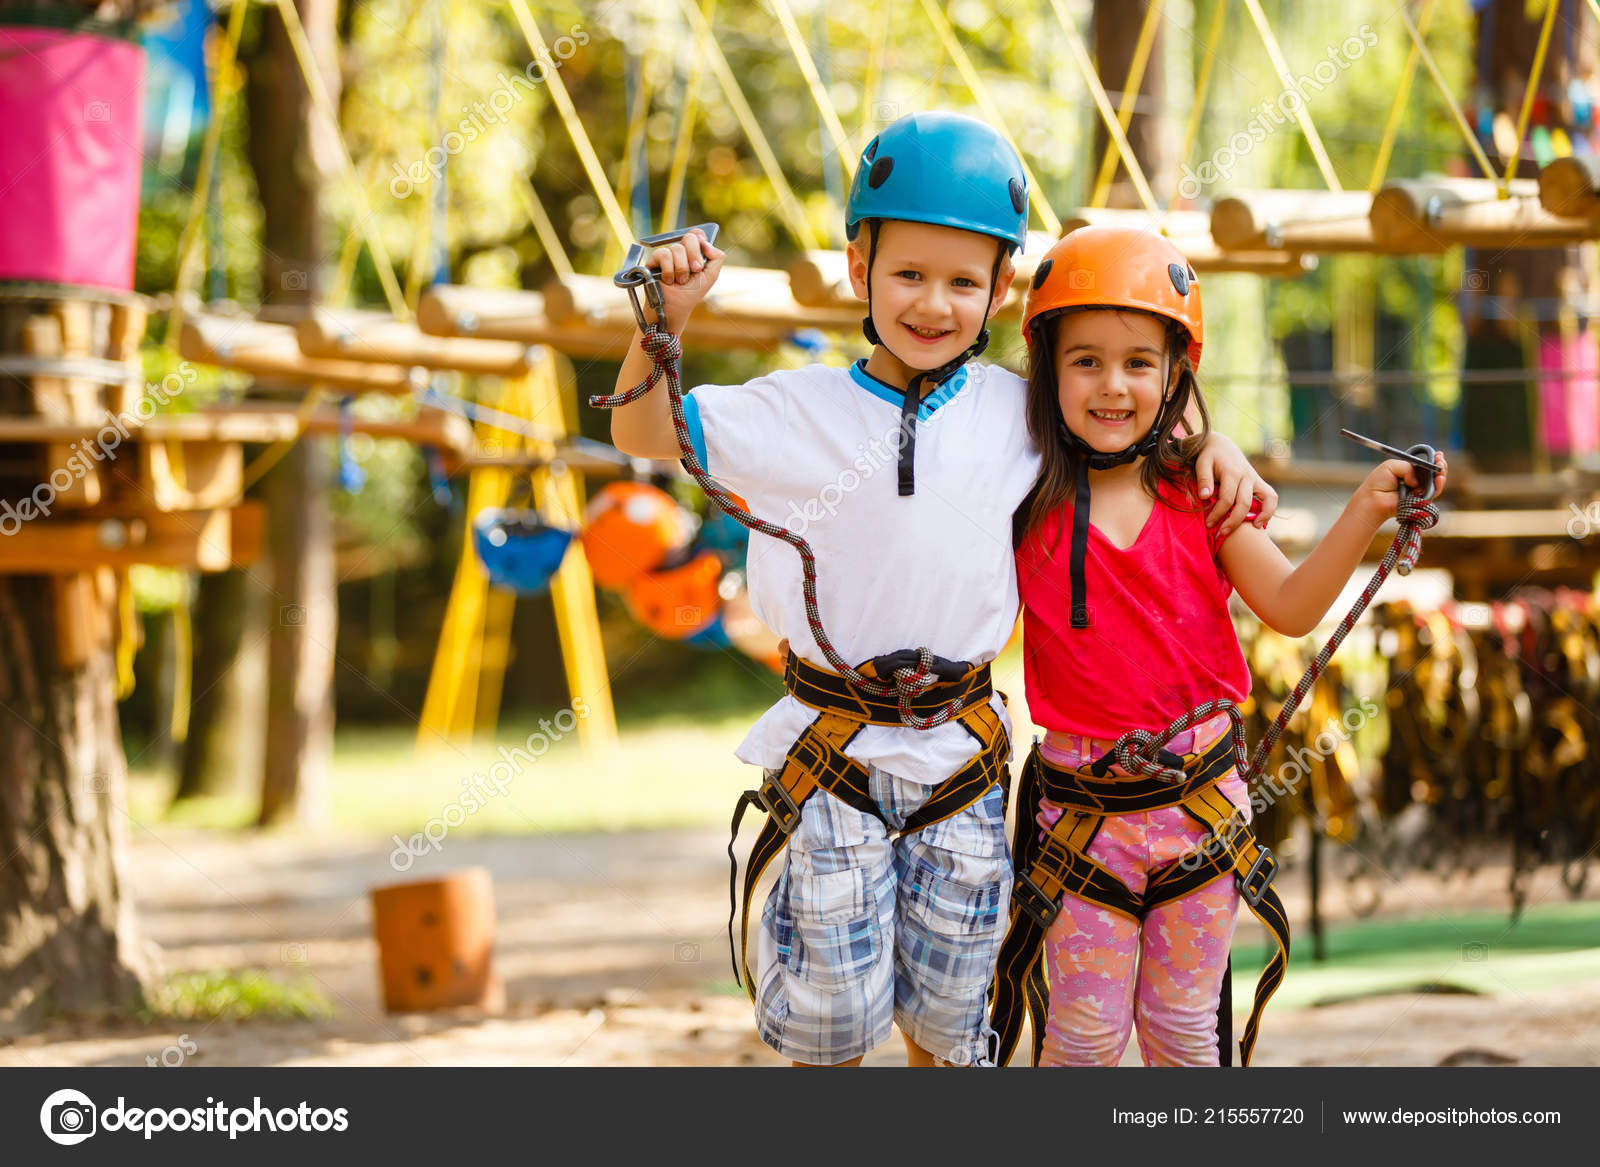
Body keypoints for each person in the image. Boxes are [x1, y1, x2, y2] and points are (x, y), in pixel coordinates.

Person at [607, 112, 1273, 1067]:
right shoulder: (796, 410)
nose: (933, 303)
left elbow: (1127, 421)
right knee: (832, 1022)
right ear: (857, 269)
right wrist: (663, 322)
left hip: (959, 758)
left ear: (1001, 291)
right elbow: (641, 436)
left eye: (964, 281)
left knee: (959, 1025)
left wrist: (1215, 444)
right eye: (908, 274)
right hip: (835, 752)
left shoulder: (1020, 410)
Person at [992, 225, 1448, 1067]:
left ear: (1175, 374)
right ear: (1047, 367)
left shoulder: (1203, 493)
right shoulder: (1020, 498)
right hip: (1081, 818)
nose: (1112, 384)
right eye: (1084, 360)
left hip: (1197, 812)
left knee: (1183, 1035)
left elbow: (1290, 603)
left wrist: (1367, 510)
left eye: (1138, 362)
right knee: (1082, 1039)